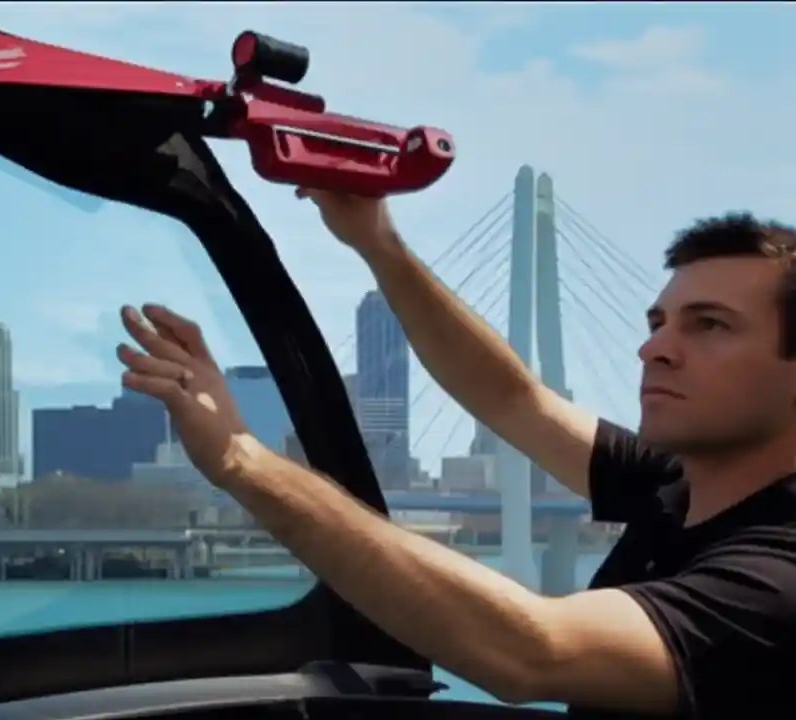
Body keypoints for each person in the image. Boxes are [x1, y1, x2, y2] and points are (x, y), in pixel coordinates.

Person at [115, 189, 796, 718]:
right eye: (657, 323)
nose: (655, 348)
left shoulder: (779, 575)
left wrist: (244, 461)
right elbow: (512, 399)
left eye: (709, 325)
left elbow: (531, 652)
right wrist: (377, 241)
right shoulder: (677, 480)